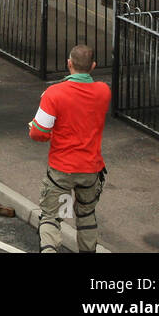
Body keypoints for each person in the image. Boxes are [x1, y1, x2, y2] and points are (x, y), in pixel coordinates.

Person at [28, 44, 111, 253]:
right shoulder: (103, 91)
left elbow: (38, 133)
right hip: (91, 169)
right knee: (86, 215)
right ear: (93, 66)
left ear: (69, 64)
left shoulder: (54, 94)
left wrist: (46, 131)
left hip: (61, 169)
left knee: (51, 216)